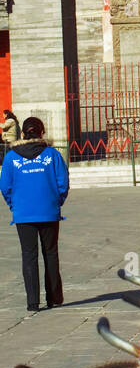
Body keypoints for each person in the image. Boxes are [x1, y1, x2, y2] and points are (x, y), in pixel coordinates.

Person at [0, 116, 69, 314]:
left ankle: (32, 302)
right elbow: (63, 182)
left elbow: (5, 186)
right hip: (48, 211)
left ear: (22, 133)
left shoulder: (11, 157)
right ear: (42, 133)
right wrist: (56, 201)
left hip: (23, 213)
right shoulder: (52, 155)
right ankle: (54, 298)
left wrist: (15, 205)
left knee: (28, 256)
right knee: (51, 253)